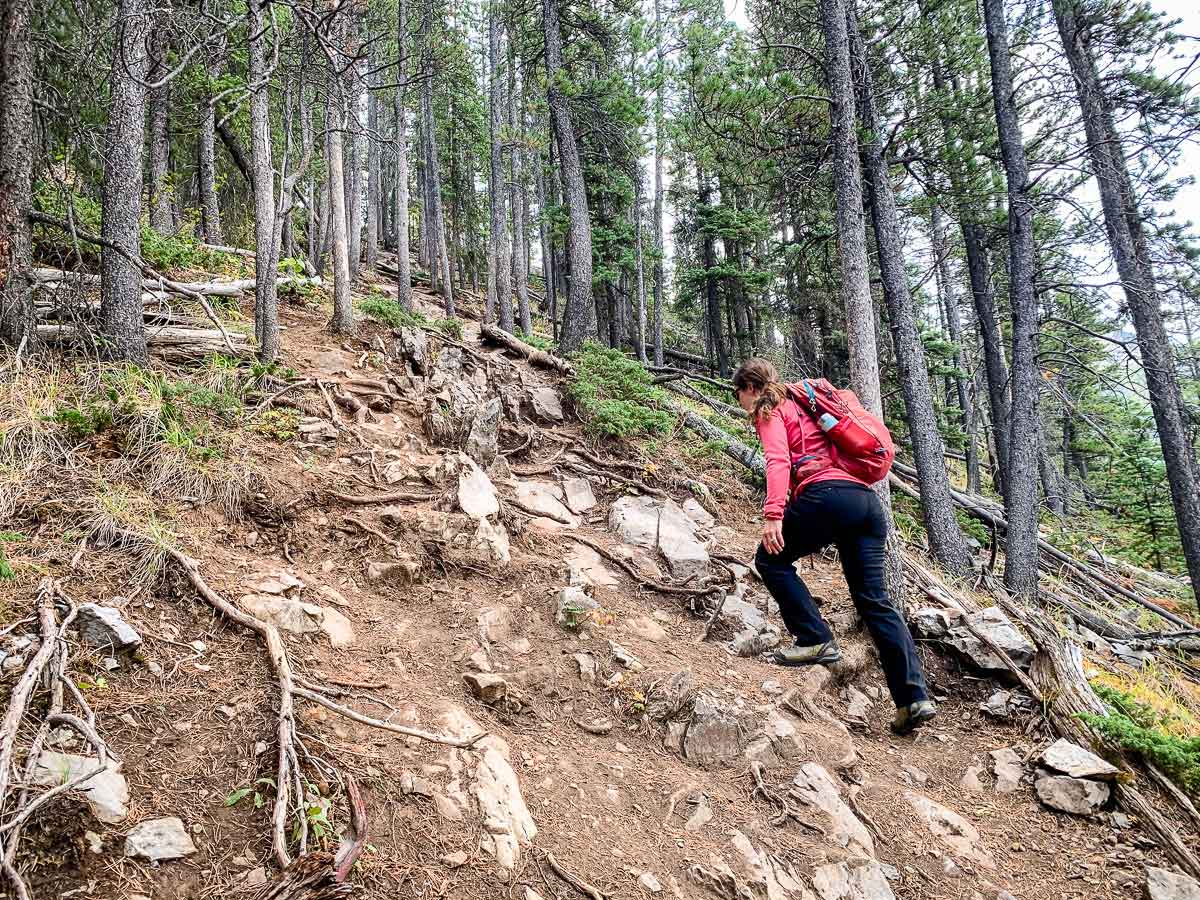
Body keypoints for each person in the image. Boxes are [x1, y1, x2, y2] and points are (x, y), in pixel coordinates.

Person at [732, 358, 936, 735]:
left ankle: (815, 638)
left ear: (750, 388)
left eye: (739, 393)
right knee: (875, 601)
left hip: (826, 496)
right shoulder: (811, 406)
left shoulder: (770, 407)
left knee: (770, 559)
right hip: (865, 504)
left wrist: (773, 514)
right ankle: (913, 698)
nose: (741, 402)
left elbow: (777, 460)